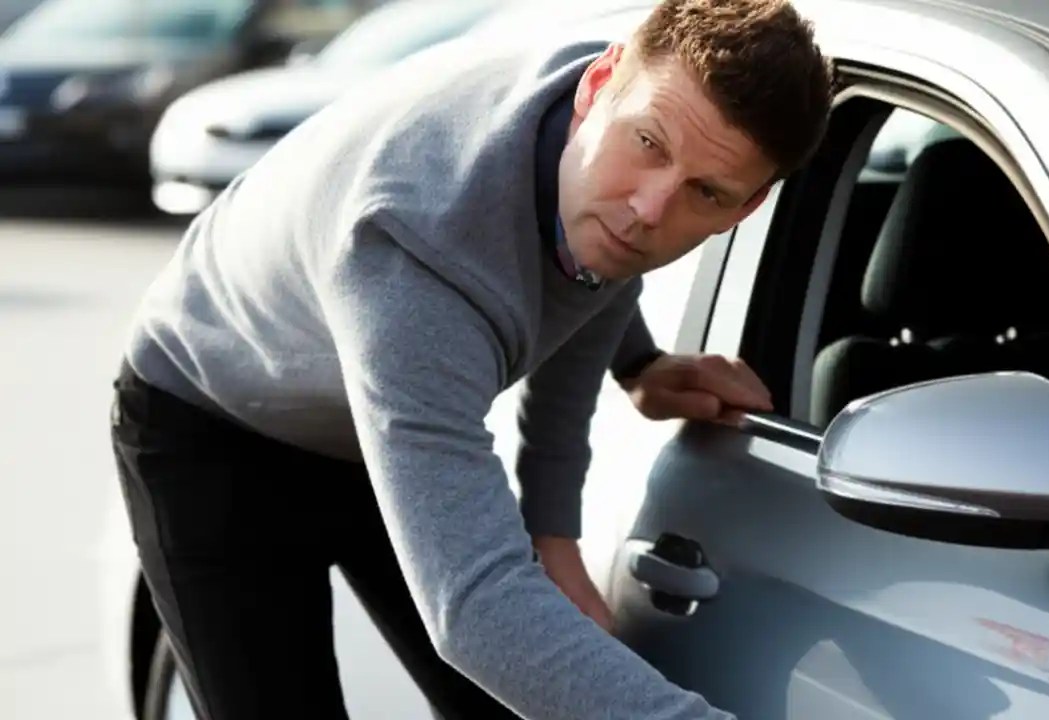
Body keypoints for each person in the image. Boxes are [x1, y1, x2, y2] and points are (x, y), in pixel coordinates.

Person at [109, 0, 833, 717]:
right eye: (648, 144)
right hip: (212, 417)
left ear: (745, 208)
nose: (650, 208)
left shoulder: (615, 155)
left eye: (705, 193)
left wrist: (625, 385)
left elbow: (588, 277)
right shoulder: (415, 247)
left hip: (386, 414)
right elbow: (475, 612)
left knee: (530, 692)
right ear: (597, 85)